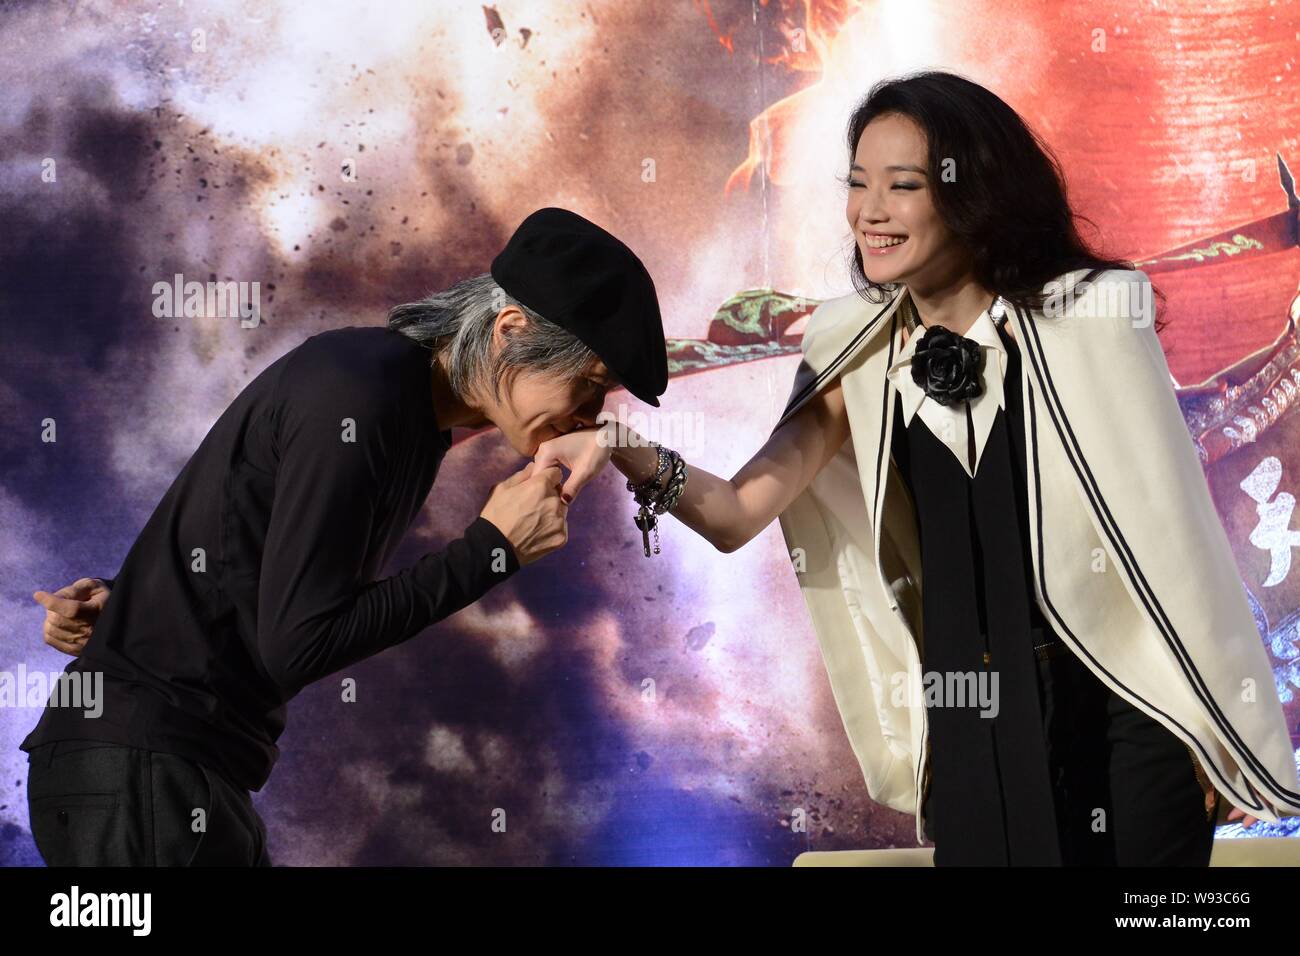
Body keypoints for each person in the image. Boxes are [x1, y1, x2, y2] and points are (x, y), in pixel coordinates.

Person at [533, 71, 1298, 865]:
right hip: (970, 725)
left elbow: (1173, 546)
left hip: (1123, 714)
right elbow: (734, 513)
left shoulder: (1091, 316)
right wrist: (622, 444)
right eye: (858, 184)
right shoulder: (852, 351)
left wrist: (1202, 727)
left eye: (903, 186)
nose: (870, 211)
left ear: (976, 194)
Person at [23, 207, 668, 866]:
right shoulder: (364, 396)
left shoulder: (400, 406)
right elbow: (298, 645)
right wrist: (490, 550)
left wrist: (130, 605)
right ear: (510, 330)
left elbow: (248, 548)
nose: (587, 419)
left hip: (164, 774)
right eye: (587, 390)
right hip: (148, 774)